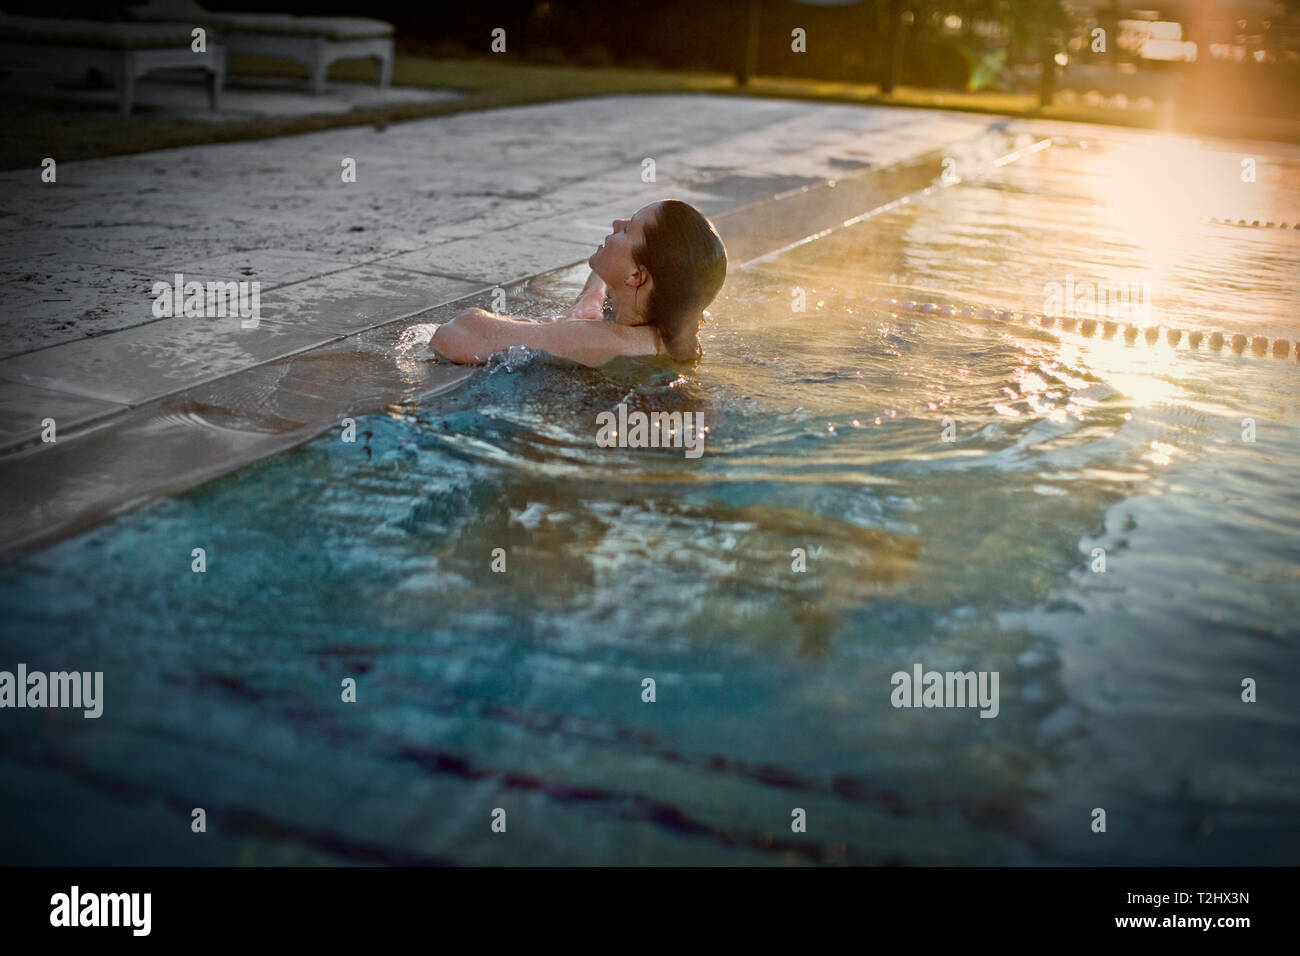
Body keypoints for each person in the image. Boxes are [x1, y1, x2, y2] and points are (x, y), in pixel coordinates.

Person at [431, 199, 726, 367]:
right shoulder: (670, 318)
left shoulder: (595, 339)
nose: (616, 224)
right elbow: (608, 275)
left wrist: (548, 328)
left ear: (636, 277)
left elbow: (454, 337)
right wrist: (592, 297)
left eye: (628, 229)